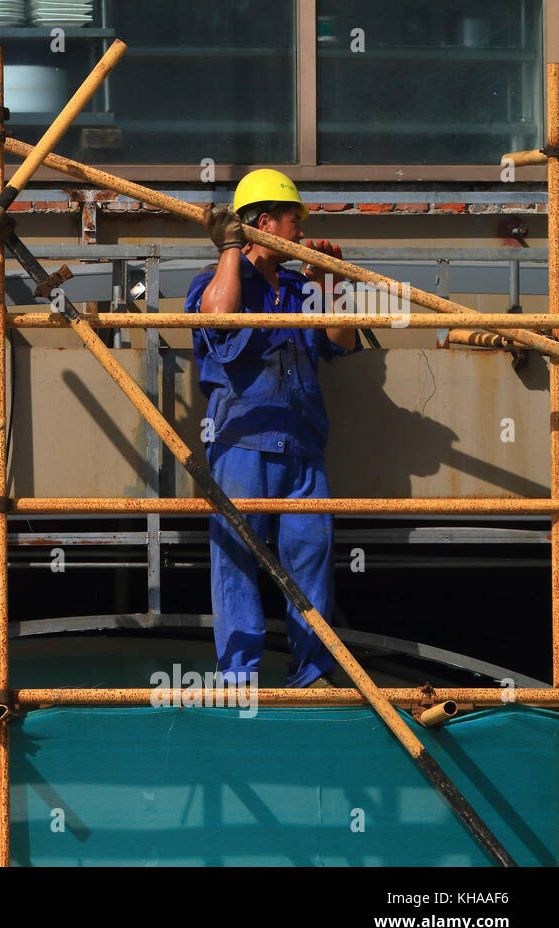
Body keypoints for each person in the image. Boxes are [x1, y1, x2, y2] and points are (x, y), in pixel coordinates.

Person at [183, 168, 362, 689]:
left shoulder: (301, 288)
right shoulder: (215, 282)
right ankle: (240, 676)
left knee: (311, 559)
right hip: (243, 444)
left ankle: (313, 674)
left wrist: (330, 284)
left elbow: (344, 342)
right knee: (237, 560)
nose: (301, 235)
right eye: (292, 223)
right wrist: (230, 253)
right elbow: (219, 317)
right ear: (265, 223)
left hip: (303, 446)